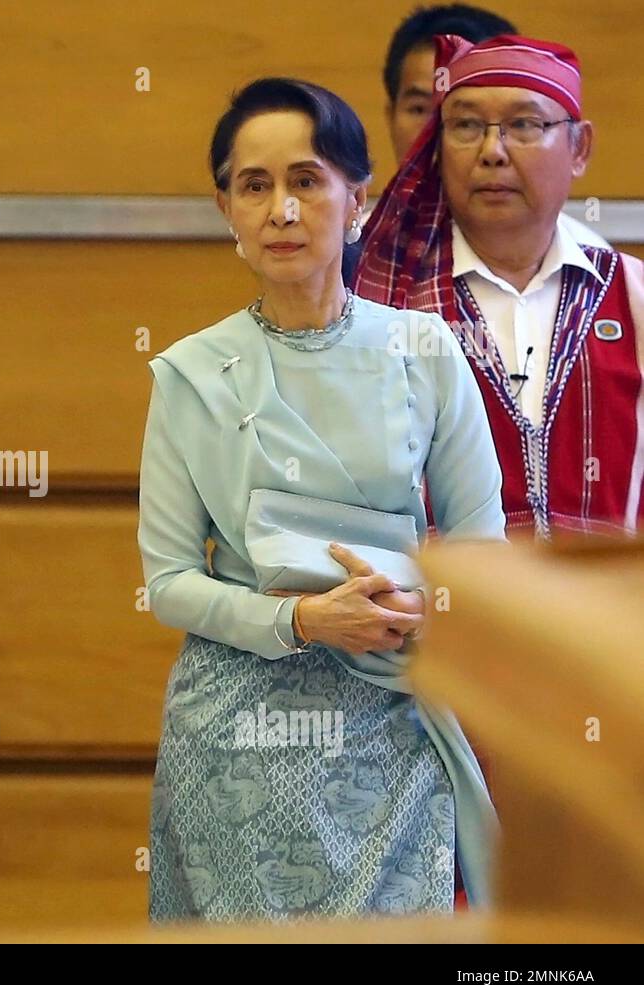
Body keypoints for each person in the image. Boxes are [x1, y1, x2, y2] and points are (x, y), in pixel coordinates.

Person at [141, 78, 504, 921]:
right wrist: (304, 621)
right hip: (237, 735)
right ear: (225, 208)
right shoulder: (191, 374)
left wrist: (418, 608)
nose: (281, 209)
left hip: (393, 715)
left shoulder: (425, 348)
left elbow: (482, 552)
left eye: (306, 180)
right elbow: (167, 583)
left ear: (357, 197)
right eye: (253, 185)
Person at [355, 34, 644, 537]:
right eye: (465, 125)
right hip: (448, 610)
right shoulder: (384, 302)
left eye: (524, 125)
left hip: (616, 609)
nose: (492, 151)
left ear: (580, 148)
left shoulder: (632, 294)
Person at [381, 4, 606, 249]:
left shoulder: (597, 266)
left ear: (579, 147)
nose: (433, 133)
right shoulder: (356, 254)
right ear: (390, 118)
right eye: (420, 109)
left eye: (521, 123)